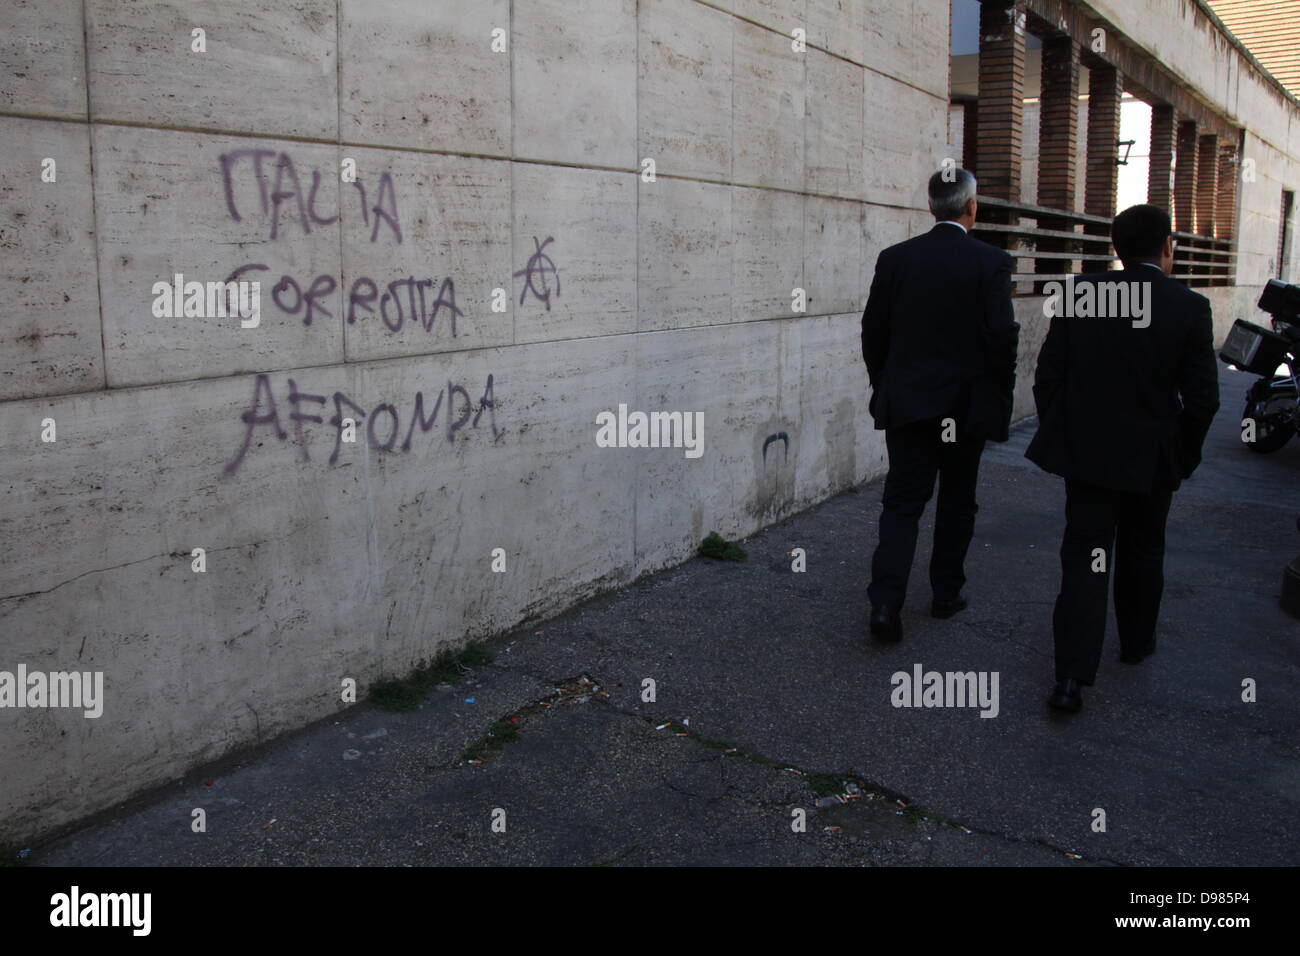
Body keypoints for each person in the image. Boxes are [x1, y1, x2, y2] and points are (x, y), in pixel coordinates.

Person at [1025, 204, 1220, 713]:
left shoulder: (1081, 295)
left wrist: (1065, 435)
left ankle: (1069, 678)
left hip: (1088, 455)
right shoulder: (1189, 307)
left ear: (1116, 248)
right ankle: (1135, 644)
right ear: (1167, 247)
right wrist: (1182, 454)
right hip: (1153, 458)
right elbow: (1203, 400)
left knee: (1085, 556)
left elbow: (1048, 378)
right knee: (1144, 549)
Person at [860, 168, 1019, 641]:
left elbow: (874, 332)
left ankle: (886, 604)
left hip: (909, 403)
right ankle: (945, 593)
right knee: (956, 500)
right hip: (964, 409)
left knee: (902, 502)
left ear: (931, 207)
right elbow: (1001, 340)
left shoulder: (896, 259)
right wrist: (995, 400)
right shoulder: (991, 262)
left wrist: (885, 384)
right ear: (973, 208)